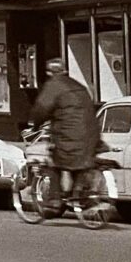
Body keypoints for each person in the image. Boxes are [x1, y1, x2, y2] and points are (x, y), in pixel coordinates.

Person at [27, 57, 100, 200]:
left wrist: (34, 125)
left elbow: (41, 109)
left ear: (49, 73)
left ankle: (54, 201)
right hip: (92, 135)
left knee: (55, 161)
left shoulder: (54, 86)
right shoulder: (79, 86)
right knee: (80, 163)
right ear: (65, 71)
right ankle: (80, 196)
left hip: (70, 137)